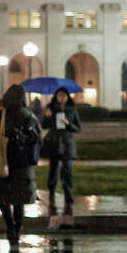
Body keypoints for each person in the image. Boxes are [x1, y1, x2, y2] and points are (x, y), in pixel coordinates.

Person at [0, 84, 41, 252]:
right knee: (19, 201)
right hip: (22, 164)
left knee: (3, 196)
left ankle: (9, 225)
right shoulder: (29, 115)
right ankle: (16, 230)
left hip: (3, 161)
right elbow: (37, 138)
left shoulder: (0, 115)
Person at [42, 87, 81, 216]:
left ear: (68, 97)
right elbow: (44, 126)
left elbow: (78, 128)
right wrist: (47, 117)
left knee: (67, 171)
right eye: (59, 95)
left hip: (67, 143)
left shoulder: (72, 110)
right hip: (54, 143)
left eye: (64, 95)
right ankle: (51, 194)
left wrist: (69, 124)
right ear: (56, 97)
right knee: (53, 170)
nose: (62, 98)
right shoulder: (51, 108)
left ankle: (68, 196)